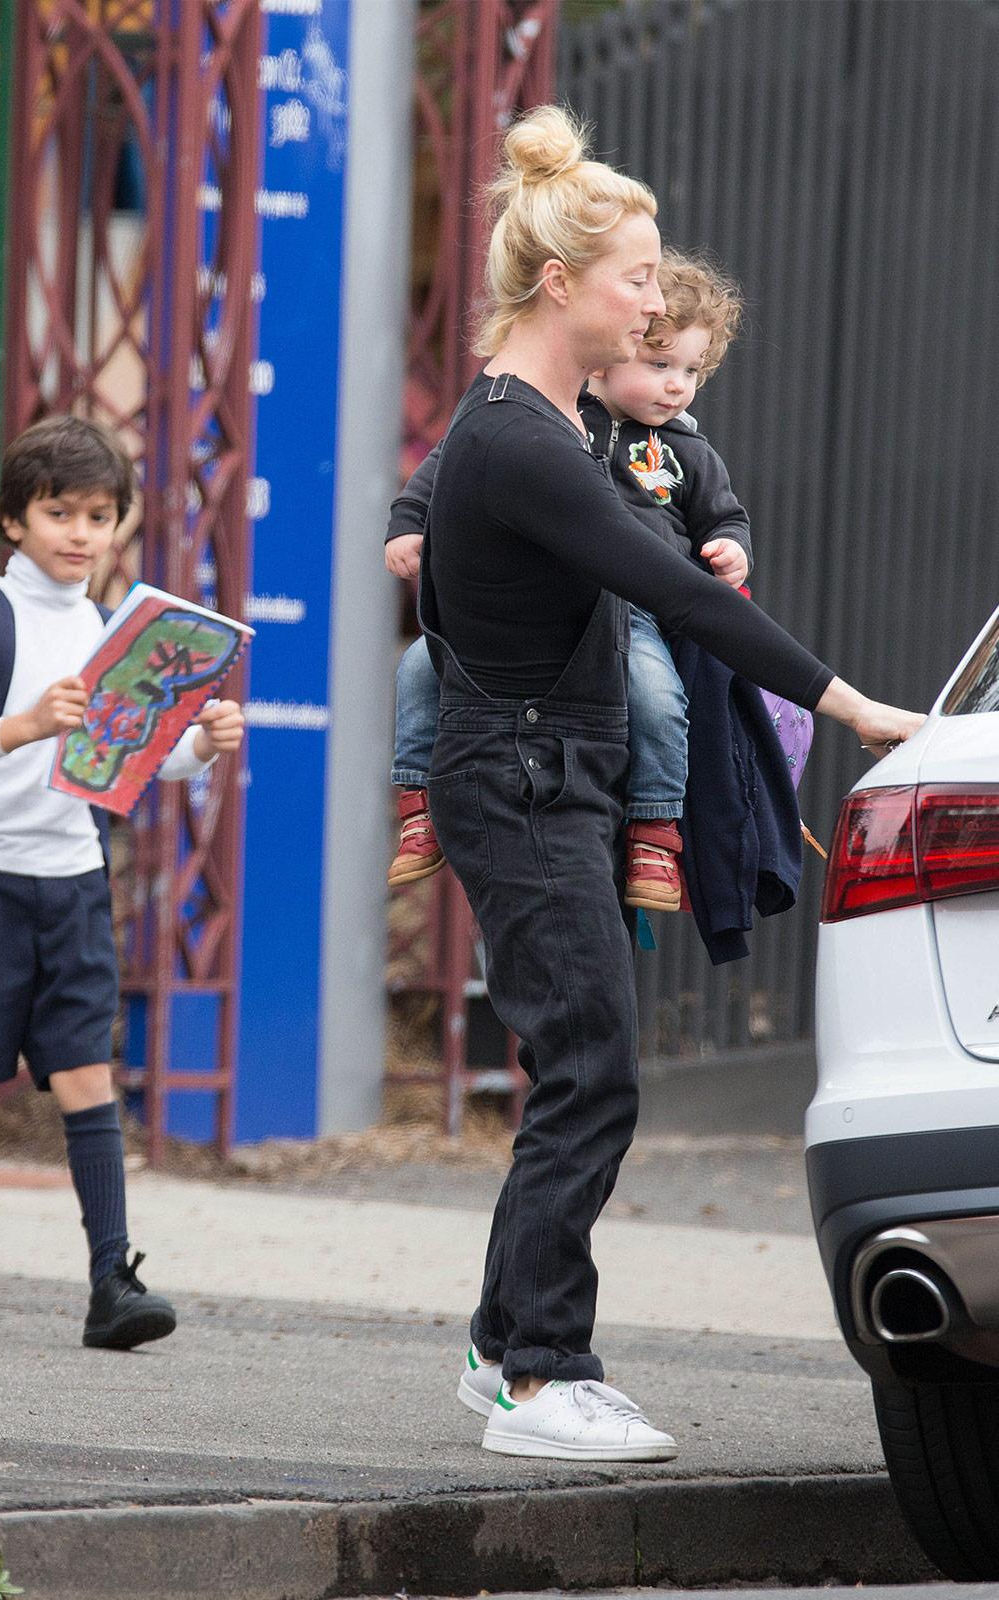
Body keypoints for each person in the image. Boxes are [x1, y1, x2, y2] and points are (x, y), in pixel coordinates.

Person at [416, 105, 919, 1461]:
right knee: (594, 1069)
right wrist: (849, 706)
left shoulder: (554, 423)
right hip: (522, 773)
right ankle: (542, 1380)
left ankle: (500, 1346)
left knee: (577, 1064)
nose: (656, 301)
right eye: (637, 277)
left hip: (545, 765)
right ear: (560, 283)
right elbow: (675, 595)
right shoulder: (522, 441)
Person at [0, 415, 245, 1348]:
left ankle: (113, 1280)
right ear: (13, 521)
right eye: (59, 512)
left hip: (75, 884)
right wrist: (25, 725)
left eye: (100, 516)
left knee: (85, 1071)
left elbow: (129, 757)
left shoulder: (111, 629)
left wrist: (198, 746)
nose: (80, 533)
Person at [386, 250, 752, 913]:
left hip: (632, 613)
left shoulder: (689, 452)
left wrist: (731, 550)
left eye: (692, 371)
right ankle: (418, 800)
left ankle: (655, 829)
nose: (677, 386)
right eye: (660, 365)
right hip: (545, 607)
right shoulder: (549, 420)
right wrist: (409, 523)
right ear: (609, 354)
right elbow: (447, 464)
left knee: (656, 696)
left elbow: (724, 517)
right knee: (419, 665)